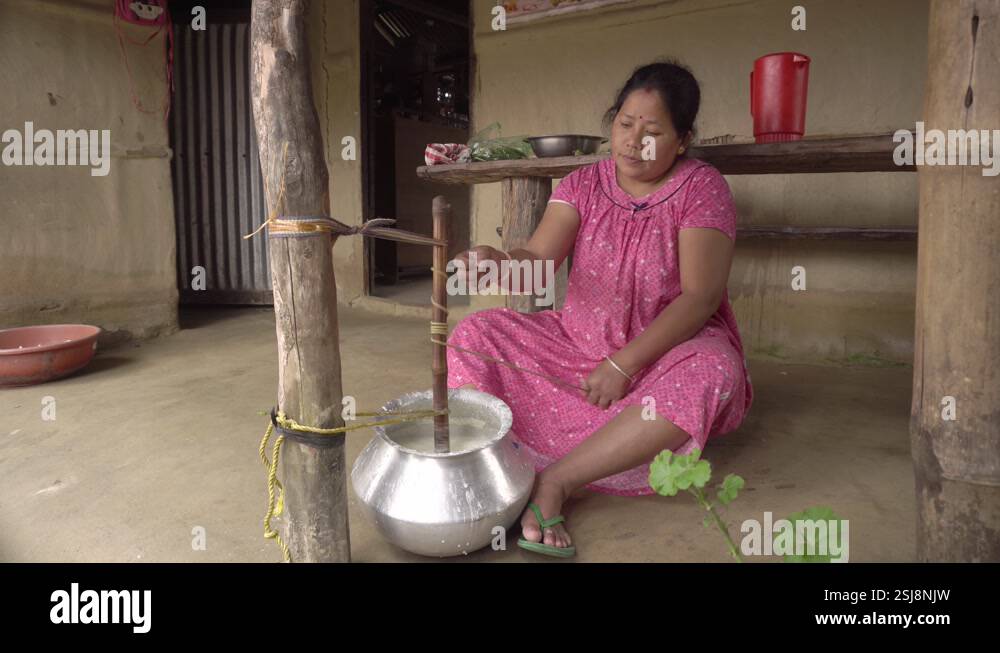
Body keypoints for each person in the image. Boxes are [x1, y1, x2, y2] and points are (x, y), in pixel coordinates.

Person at [447, 60, 754, 557]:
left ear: (683, 139)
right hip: (575, 346)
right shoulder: (583, 184)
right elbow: (538, 262)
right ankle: (505, 464)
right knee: (475, 333)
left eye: (653, 131)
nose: (634, 141)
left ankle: (559, 479)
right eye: (625, 124)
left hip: (659, 358)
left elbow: (700, 298)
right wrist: (499, 262)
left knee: (714, 369)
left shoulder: (701, 189)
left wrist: (623, 365)